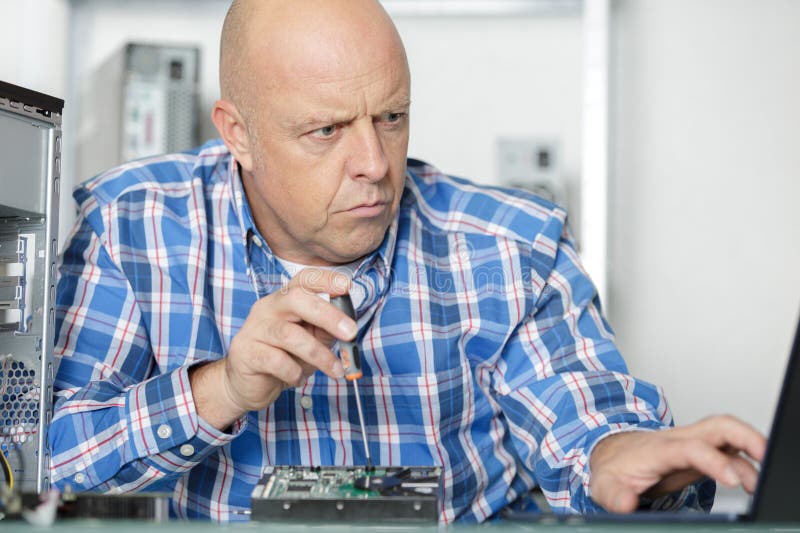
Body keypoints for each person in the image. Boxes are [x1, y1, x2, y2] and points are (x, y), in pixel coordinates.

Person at [49, 0, 765, 523]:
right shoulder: (131, 227)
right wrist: (222, 389)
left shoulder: (510, 246)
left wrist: (618, 455)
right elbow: (48, 468)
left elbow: (582, 418)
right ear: (238, 131)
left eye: (390, 117)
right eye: (326, 129)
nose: (373, 165)